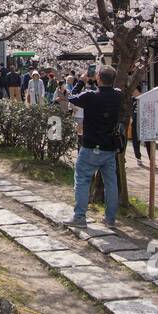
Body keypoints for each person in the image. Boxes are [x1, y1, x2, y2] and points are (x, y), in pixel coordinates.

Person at [58, 66, 124, 228]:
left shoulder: (90, 96)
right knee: (111, 184)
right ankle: (110, 219)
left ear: (98, 78)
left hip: (90, 146)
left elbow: (71, 97)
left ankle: (80, 217)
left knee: (82, 179)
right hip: (109, 147)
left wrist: (81, 80)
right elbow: (108, 92)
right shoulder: (118, 95)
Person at [130, 86, 144, 165]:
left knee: (148, 141)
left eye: (133, 90)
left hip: (144, 122)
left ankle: (151, 158)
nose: (132, 92)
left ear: (137, 90)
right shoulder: (132, 100)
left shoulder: (144, 98)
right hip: (134, 122)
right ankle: (138, 157)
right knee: (135, 141)